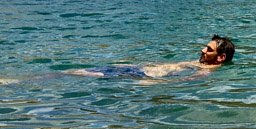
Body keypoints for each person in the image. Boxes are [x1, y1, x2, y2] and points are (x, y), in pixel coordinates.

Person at [72, 35, 236, 79]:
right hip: (141, 70)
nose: (202, 50)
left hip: (142, 75)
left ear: (220, 57)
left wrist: (150, 82)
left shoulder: (206, 71)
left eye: (208, 49)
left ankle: (50, 77)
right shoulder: (202, 64)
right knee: (85, 71)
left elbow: (181, 82)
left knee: (86, 73)